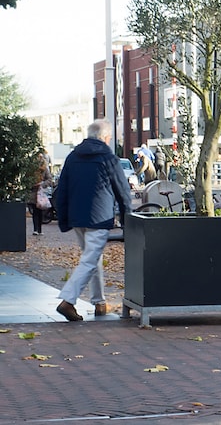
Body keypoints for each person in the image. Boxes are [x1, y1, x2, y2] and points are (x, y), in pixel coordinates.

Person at [53, 120, 133, 321]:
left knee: (91, 258)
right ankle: (68, 300)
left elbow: (61, 191)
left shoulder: (72, 157)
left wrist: (64, 219)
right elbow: (123, 192)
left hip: (77, 217)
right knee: (89, 259)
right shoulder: (108, 157)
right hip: (100, 217)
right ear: (106, 138)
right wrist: (126, 219)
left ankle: (99, 302)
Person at [26, 157, 54, 236]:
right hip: (34, 193)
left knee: (40, 212)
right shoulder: (31, 170)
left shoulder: (44, 170)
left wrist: (42, 184)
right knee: (35, 211)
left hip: (41, 193)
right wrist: (32, 185)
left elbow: (49, 179)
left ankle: (39, 229)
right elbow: (27, 180)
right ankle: (36, 229)